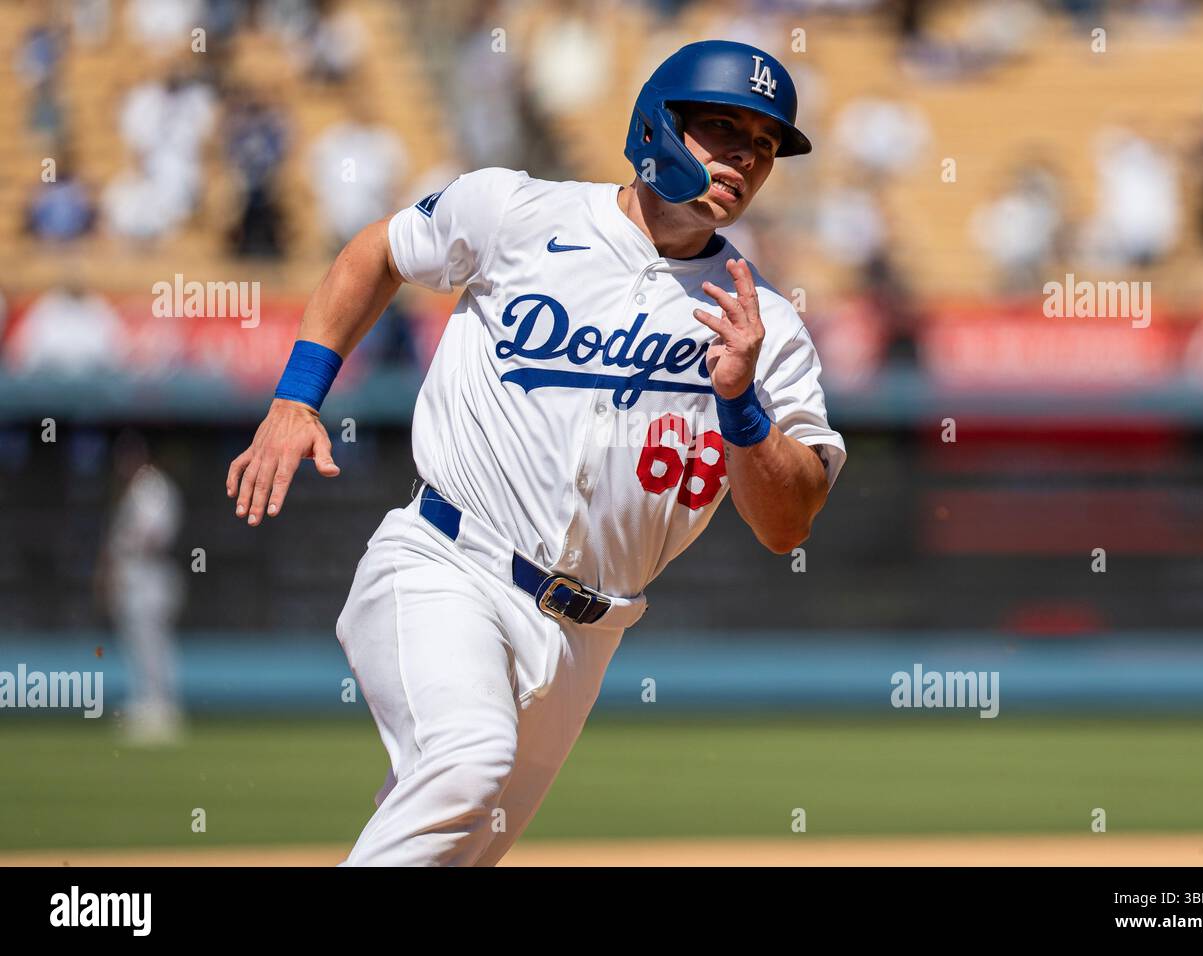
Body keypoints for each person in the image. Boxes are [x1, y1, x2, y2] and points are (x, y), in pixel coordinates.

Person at [226, 40, 845, 866]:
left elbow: (786, 525)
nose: (745, 156)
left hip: (588, 632)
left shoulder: (764, 323)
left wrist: (739, 403)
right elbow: (378, 251)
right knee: (465, 763)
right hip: (448, 562)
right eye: (722, 128)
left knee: (457, 841)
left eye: (764, 145)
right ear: (658, 125)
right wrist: (298, 396)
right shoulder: (517, 212)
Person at [102, 431, 186, 744]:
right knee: (138, 644)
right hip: (134, 574)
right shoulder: (135, 489)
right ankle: (147, 705)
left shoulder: (152, 487)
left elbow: (153, 535)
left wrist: (125, 546)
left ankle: (162, 709)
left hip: (150, 573)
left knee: (153, 644)